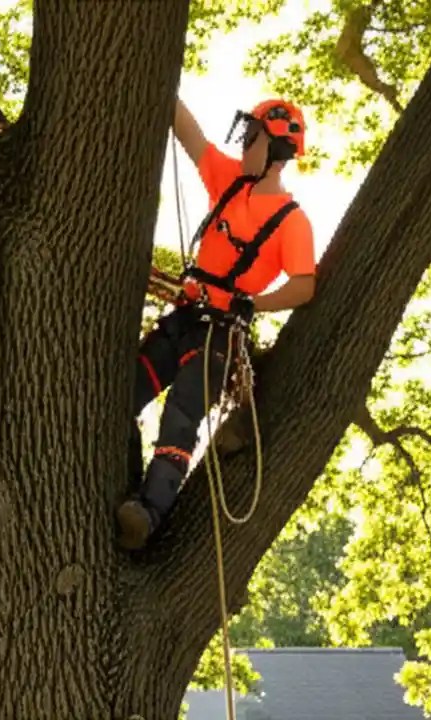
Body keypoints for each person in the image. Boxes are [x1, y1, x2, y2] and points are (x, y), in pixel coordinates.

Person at [117, 96, 318, 550]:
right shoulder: (230, 182)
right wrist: (162, 83)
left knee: (180, 417)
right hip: (184, 318)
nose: (244, 143)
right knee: (120, 395)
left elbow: (304, 286)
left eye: (253, 136)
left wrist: (255, 304)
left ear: (277, 151)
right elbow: (191, 135)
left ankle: (149, 514)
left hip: (218, 338)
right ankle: (127, 488)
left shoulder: (292, 222)